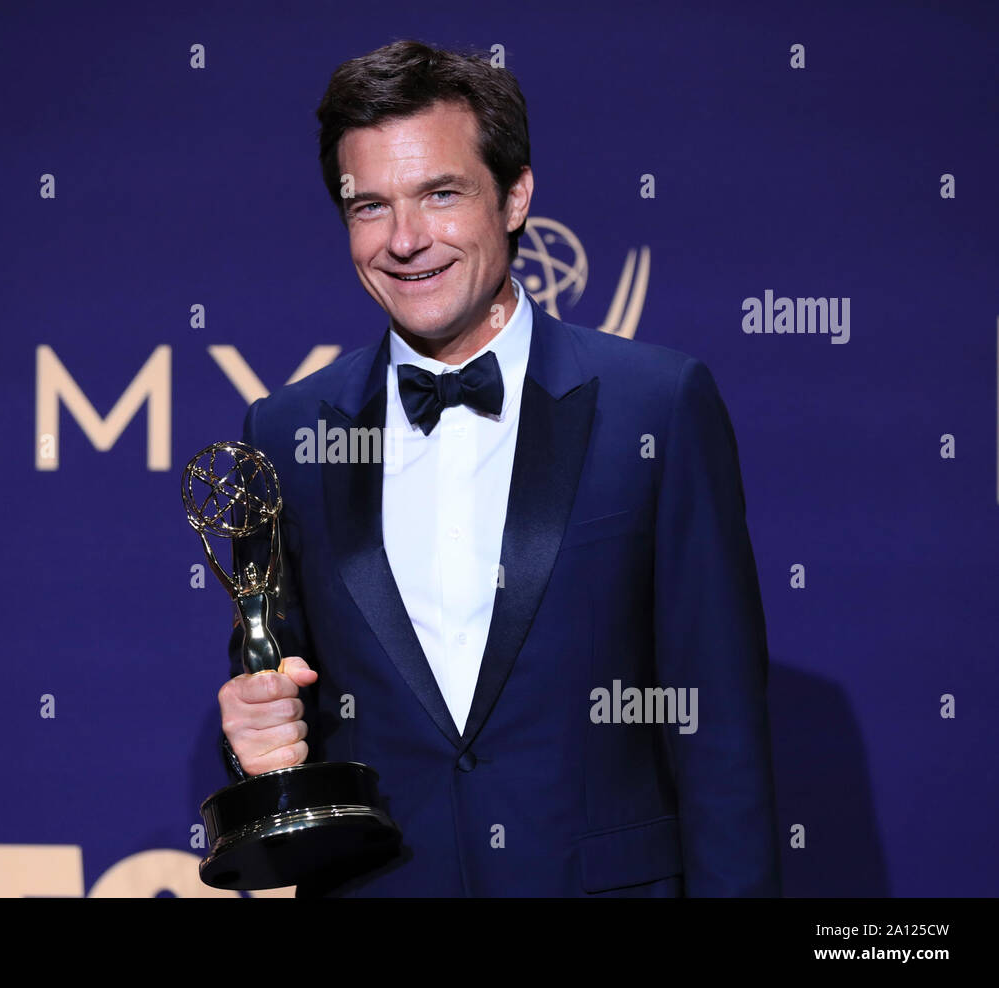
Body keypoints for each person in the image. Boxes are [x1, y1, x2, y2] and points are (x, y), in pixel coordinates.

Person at [215, 39, 782, 897]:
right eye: (370, 207)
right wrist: (254, 731)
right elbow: (276, 682)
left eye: (441, 194)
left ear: (515, 195)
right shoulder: (288, 429)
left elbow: (723, 736)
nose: (405, 241)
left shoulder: (657, 405)